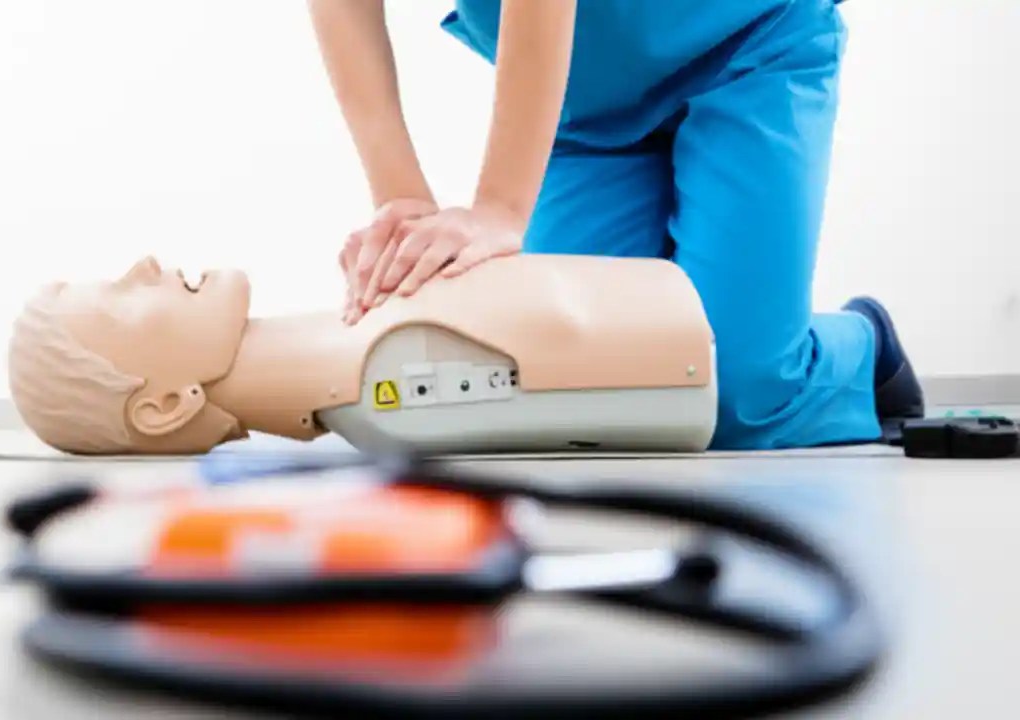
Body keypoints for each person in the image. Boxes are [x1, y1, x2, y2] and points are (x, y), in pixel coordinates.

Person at [307, 0, 923, 450]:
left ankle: (862, 351)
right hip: (586, 99)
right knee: (585, 385)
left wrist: (498, 208)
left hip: (748, 45)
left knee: (734, 394)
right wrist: (402, 202)